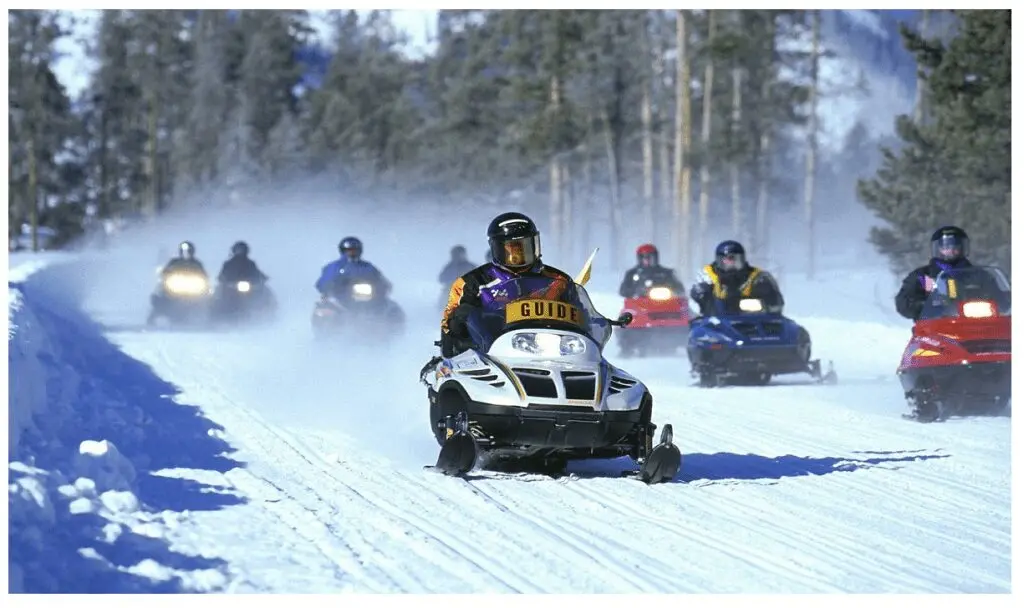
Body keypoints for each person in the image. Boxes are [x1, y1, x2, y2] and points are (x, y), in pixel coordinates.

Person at [439, 211, 577, 357]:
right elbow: (450, 323)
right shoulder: (472, 282)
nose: (519, 255)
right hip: (493, 354)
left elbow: (582, 317)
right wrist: (459, 334)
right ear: (496, 249)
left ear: (536, 245)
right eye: (512, 249)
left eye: (525, 247)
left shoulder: (558, 280)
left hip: (552, 352)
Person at [894, 225, 976, 320]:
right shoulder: (923, 276)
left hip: (974, 326)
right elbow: (903, 303)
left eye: (955, 246)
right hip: (934, 327)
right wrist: (923, 305)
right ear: (938, 249)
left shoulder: (978, 275)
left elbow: (997, 297)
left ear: (962, 248)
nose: (951, 250)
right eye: (946, 247)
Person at [689, 240, 784, 317]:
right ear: (719, 261)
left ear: (743, 260)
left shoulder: (757, 276)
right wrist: (701, 293)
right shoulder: (708, 275)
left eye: (735, 261)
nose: (731, 265)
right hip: (715, 321)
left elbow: (776, 302)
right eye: (727, 261)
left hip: (753, 320)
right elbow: (695, 295)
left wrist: (765, 293)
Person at [317, 236, 392, 299]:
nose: (352, 253)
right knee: (324, 310)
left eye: (354, 250)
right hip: (340, 300)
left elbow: (380, 279)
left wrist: (382, 288)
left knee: (391, 307)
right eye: (349, 250)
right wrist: (329, 288)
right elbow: (323, 282)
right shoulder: (334, 267)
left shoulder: (367, 267)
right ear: (343, 251)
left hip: (367, 300)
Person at [618, 243, 686, 298]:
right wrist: (636, 291)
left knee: (685, 312)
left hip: (665, 306)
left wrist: (670, 290)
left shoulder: (666, 273)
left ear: (656, 257)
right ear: (640, 259)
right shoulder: (632, 273)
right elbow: (623, 291)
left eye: (650, 257)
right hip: (639, 305)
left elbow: (680, 290)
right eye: (644, 257)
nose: (647, 260)